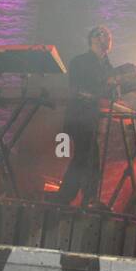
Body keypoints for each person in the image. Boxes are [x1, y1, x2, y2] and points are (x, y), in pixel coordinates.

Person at [53, 26, 117, 207]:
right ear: (93, 39)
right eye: (104, 34)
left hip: (92, 120)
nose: (108, 38)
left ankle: (65, 198)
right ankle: (87, 199)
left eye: (110, 36)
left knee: (84, 158)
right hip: (78, 118)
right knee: (89, 158)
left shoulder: (108, 66)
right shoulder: (80, 61)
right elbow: (79, 89)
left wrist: (116, 88)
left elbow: (112, 91)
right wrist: (103, 90)